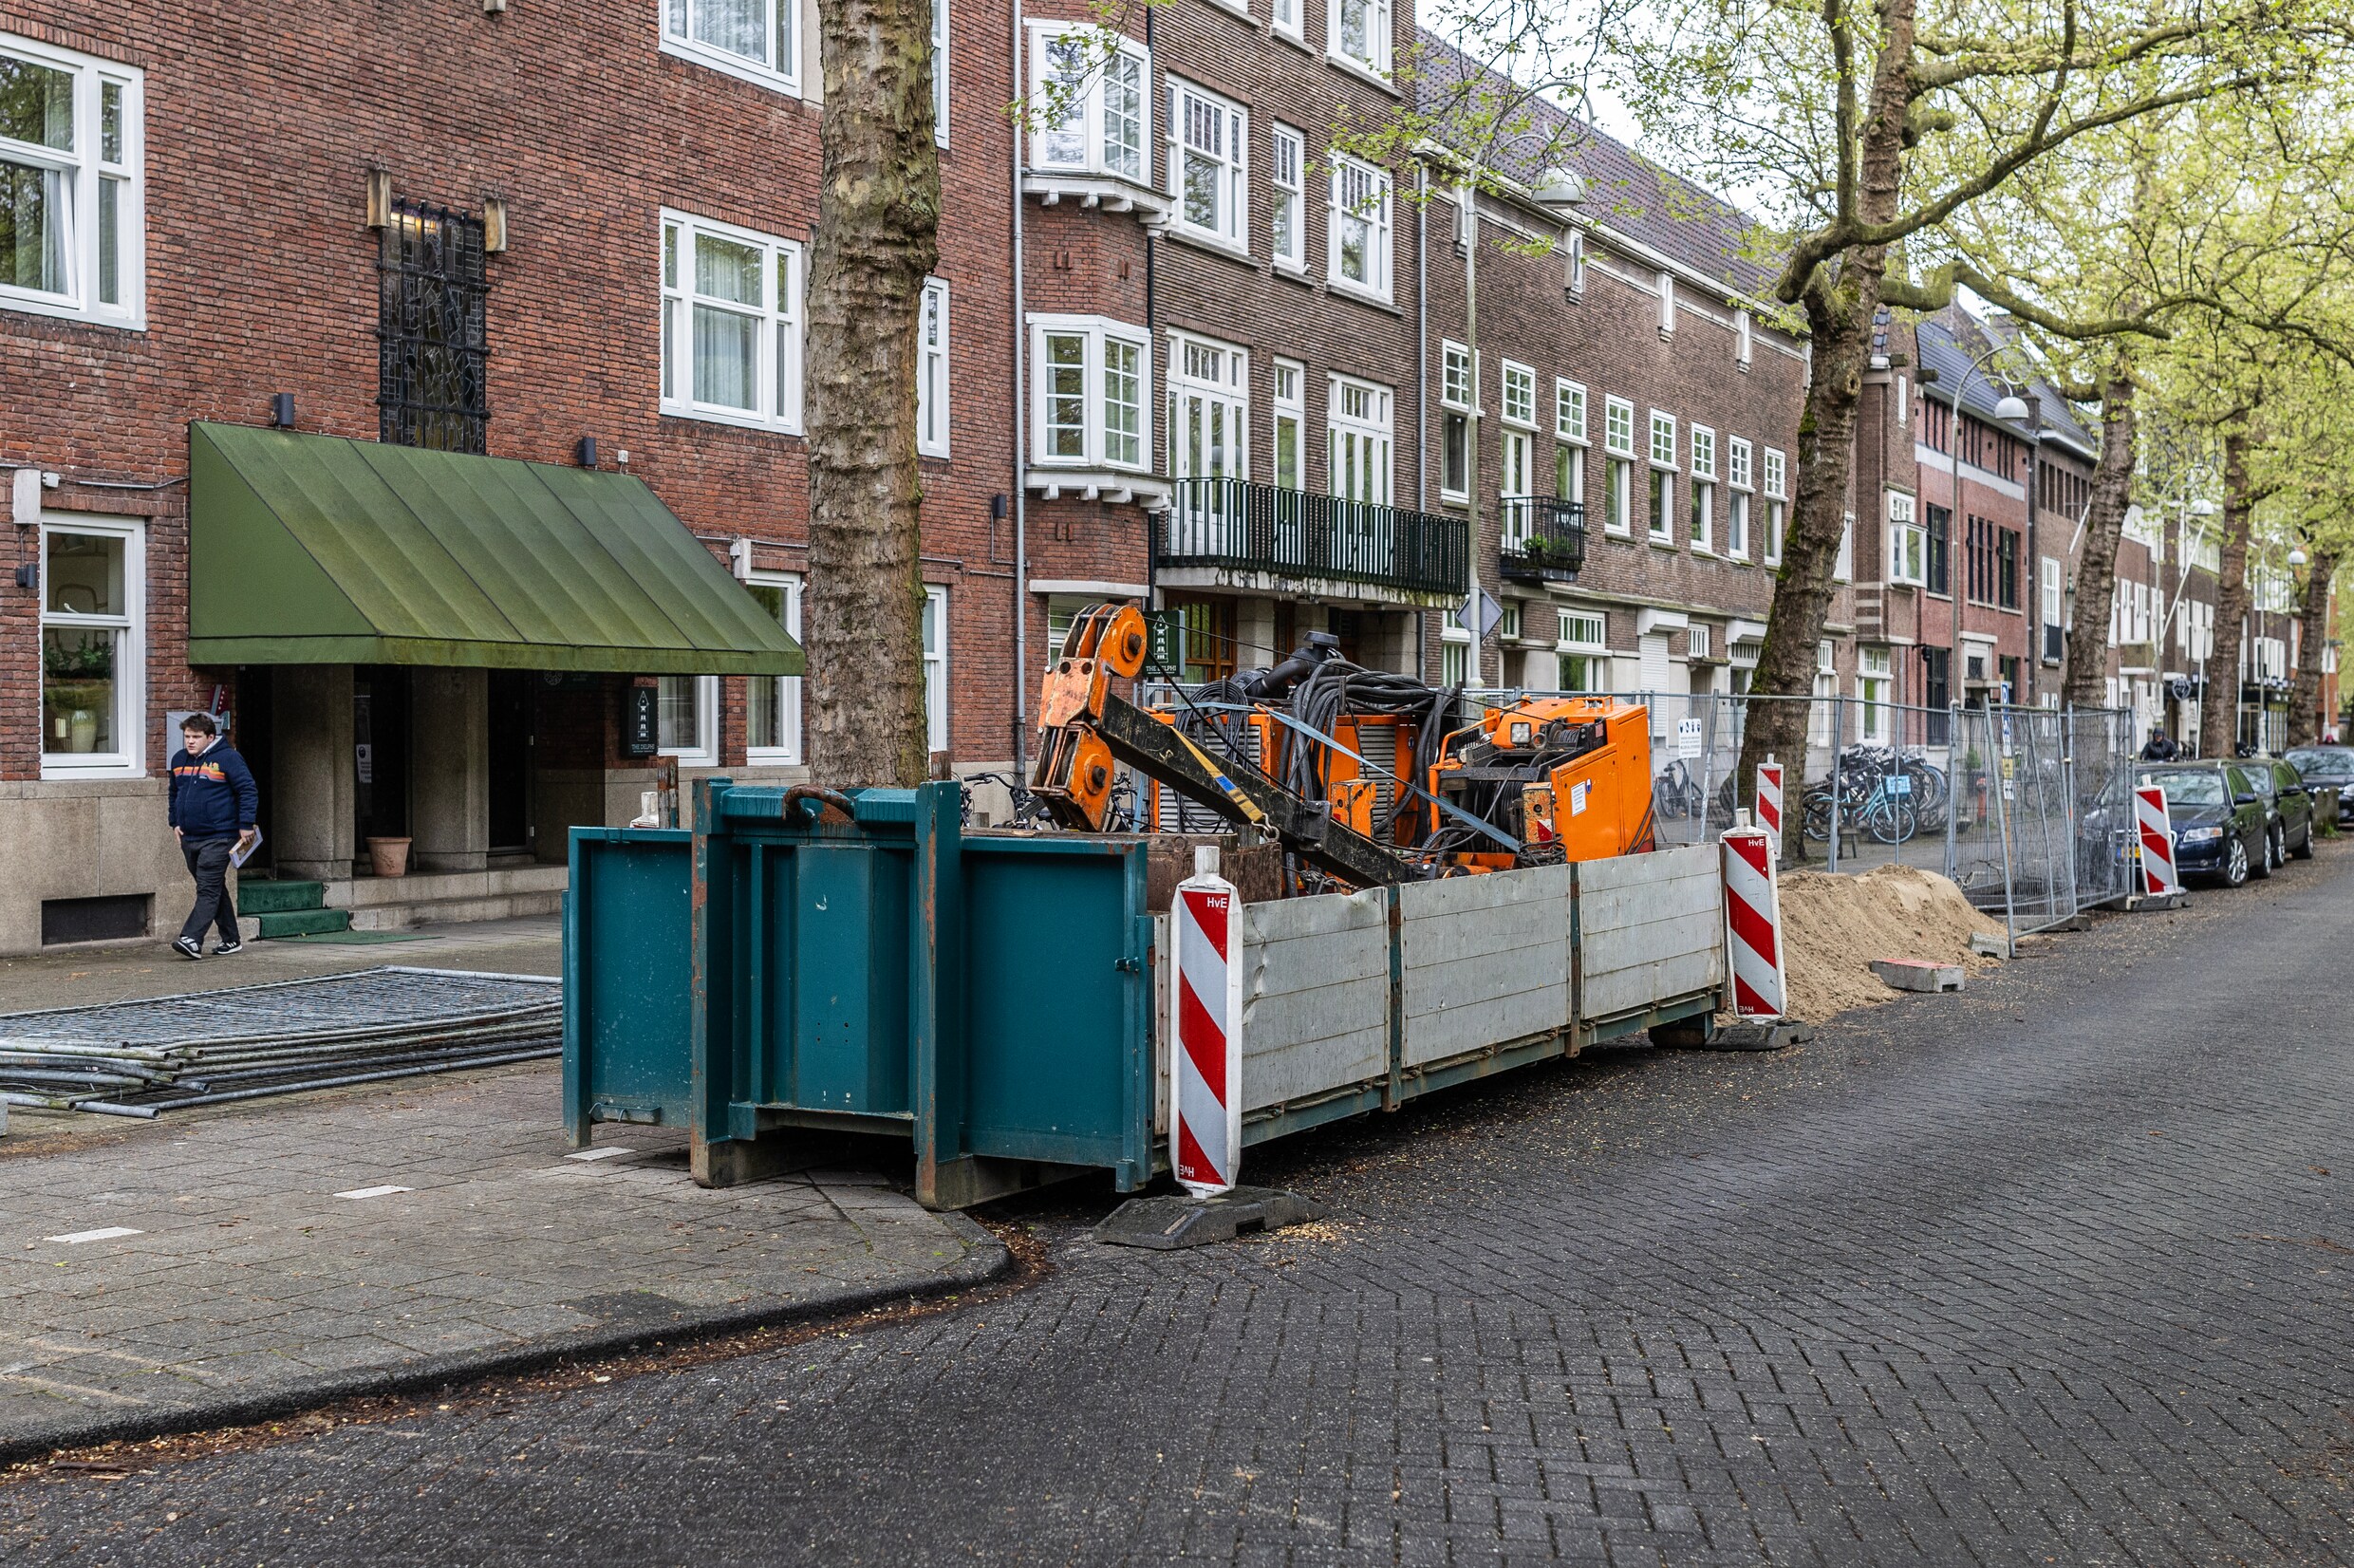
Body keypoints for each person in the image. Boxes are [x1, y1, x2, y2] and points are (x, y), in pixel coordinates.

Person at [167, 714, 259, 960]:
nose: (190, 741)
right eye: (187, 736)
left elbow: (247, 790)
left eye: (196, 737)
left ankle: (191, 939)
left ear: (210, 737)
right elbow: (174, 792)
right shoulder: (179, 760)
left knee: (207, 888)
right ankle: (231, 939)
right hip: (189, 837)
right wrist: (174, 822)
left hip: (220, 835)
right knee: (213, 886)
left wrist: (245, 824)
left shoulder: (229, 758)